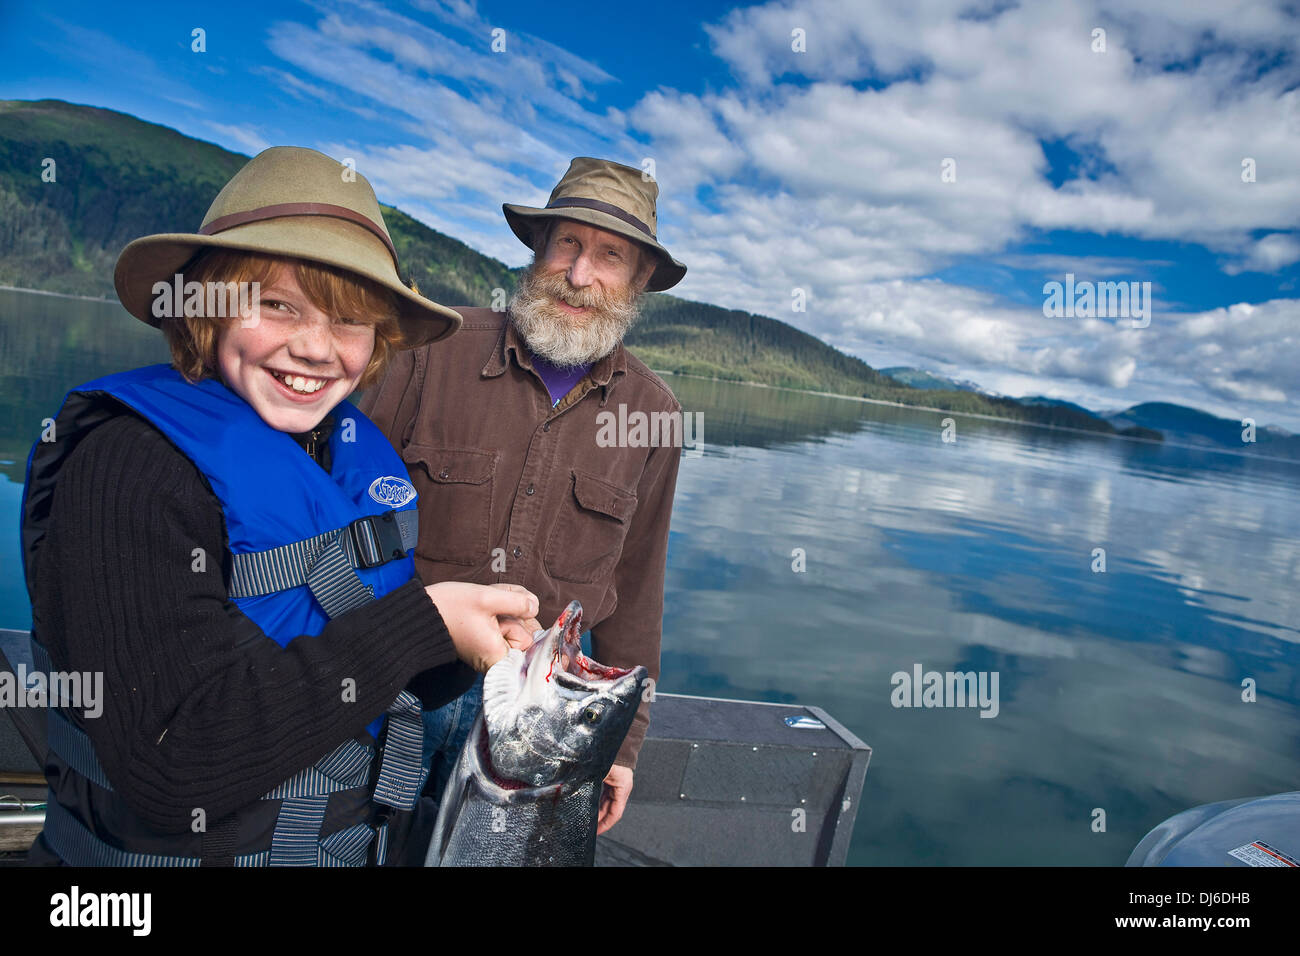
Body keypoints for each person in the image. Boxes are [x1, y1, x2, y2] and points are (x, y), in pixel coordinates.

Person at [19, 146, 539, 866]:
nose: (316, 349)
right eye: (276, 305)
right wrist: (421, 623)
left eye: (350, 321)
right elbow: (172, 769)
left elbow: (357, 664)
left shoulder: (337, 451)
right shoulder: (128, 466)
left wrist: (457, 645)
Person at [359, 157, 688, 837]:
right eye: (567, 243)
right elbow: (331, 509)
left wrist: (622, 746)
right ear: (538, 248)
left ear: (640, 279)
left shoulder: (654, 414)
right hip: (390, 685)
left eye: (610, 255)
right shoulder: (432, 348)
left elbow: (636, 588)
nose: (579, 274)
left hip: (543, 723)